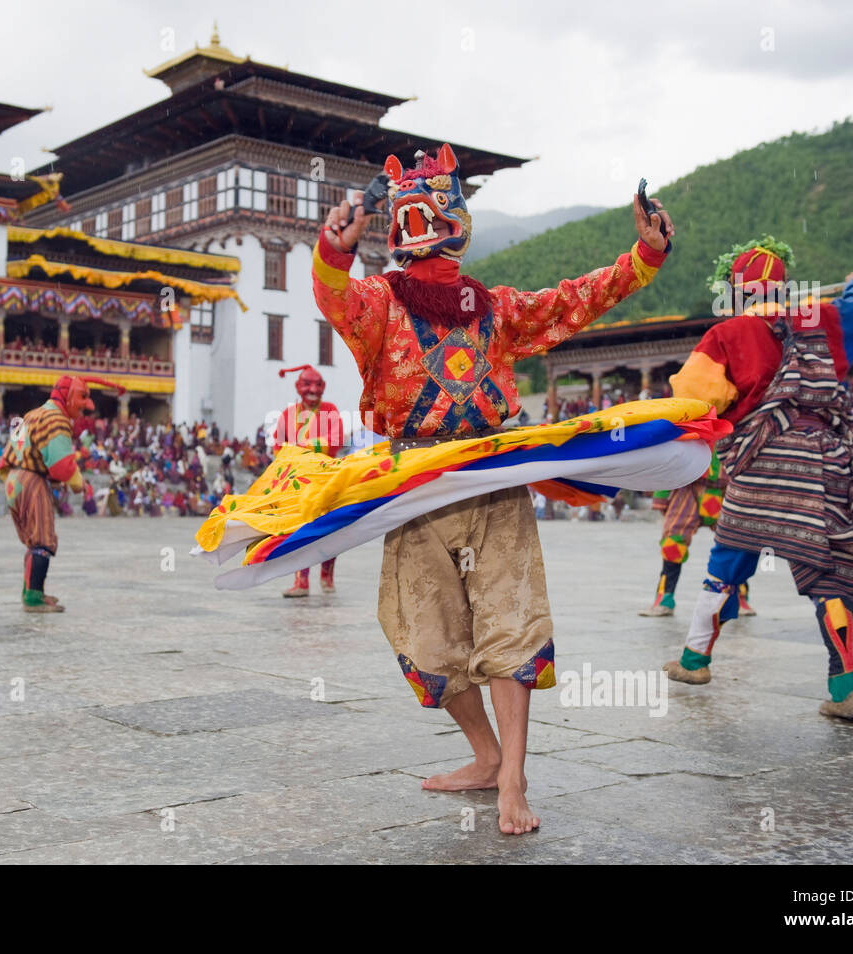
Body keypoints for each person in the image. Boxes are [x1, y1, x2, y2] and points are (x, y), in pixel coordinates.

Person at [196, 145, 709, 835]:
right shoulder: (380, 304)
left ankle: (515, 780)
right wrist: (331, 251)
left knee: (510, 624)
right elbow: (335, 299)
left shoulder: (492, 309)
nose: (421, 217)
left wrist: (642, 258)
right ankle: (487, 755)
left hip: (491, 482)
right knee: (425, 637)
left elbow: (571, 302)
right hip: (415, 487)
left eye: (433, 202)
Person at [661, 238, 853, 721]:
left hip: (759, 465)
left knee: (726, 564)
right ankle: (846, 687)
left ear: (736, 291)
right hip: (824, 465)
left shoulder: (726, 334)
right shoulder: (827, 318)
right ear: (784, 287)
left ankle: (694, 661)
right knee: (829, 576)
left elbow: (691, 400)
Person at [0, 375, 117, 611]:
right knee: (43, 539)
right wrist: (78, 484)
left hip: (14, 479)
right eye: (82, 398)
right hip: (30, 480)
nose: (85, 407)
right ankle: (33, 598)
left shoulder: (33, 413)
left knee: (34, 539)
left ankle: (33, 593)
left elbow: (16, 452)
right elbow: (62, 465)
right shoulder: (56, 418)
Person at [639, 451, 755, 618]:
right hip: (688, 488)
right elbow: (669, 452)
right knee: (673, 544)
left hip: (725, 488)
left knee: (737, 542)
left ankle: (740, 598)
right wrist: (661, 494)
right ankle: (664, 598)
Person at [274, 365, 344, 597]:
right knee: (300, 532)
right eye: (307, 385)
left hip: (325, 480)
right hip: (298, 482)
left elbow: (336, 440)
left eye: (317, 385)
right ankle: (301, 582)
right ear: (298, 387)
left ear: (323, 387)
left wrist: (304, 447)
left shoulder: (330, 410)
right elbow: (278, 445)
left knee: (329, 530)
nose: (312, 390)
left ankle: (327, 576)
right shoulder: (288, 414)